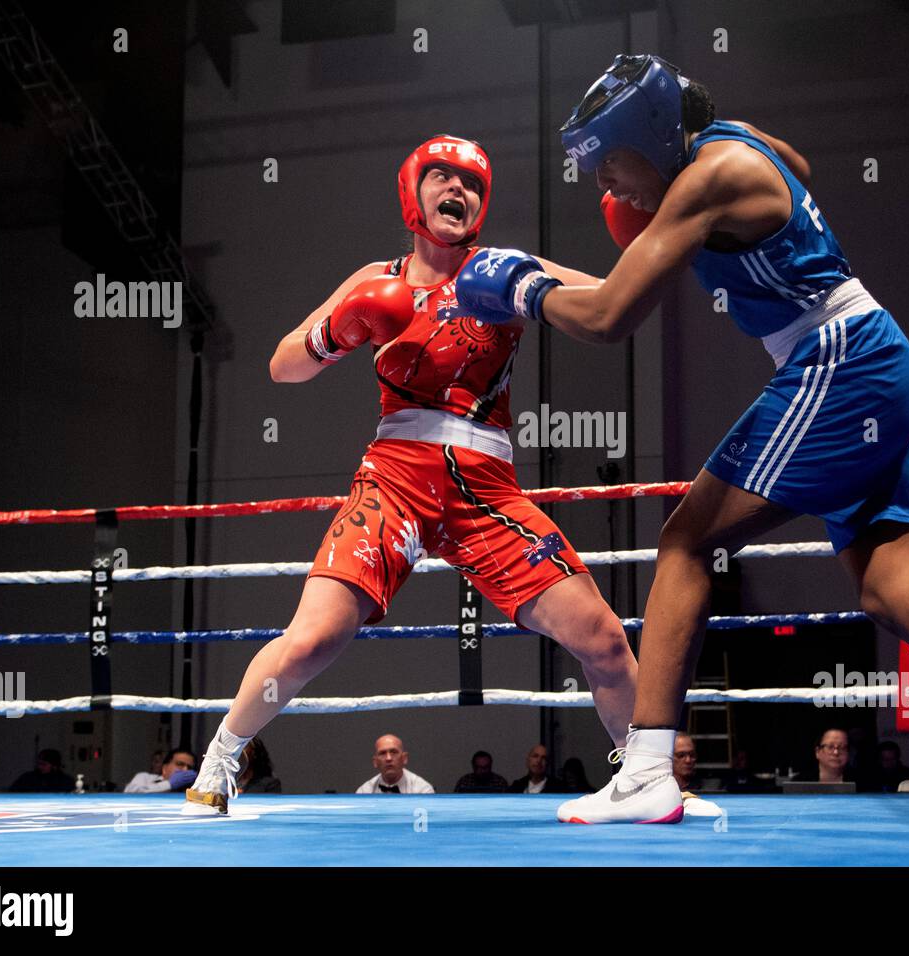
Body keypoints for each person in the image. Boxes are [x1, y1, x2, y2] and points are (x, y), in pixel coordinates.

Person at [445, 54, 909, 825]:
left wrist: (519, 290)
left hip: (839, 363)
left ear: (646, 132)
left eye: (611, 165)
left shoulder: (707, 177)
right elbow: (774, 181)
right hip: (878, 361)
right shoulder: (729, 151)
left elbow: (610, 319)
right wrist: (529, 270)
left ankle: (646, 772)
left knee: (685, 542)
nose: (609, 189)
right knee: (892, 593)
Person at [183, 135, 638, 815]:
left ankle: (642, 773)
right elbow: (282, 364)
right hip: (395, 476)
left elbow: (612, 305)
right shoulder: (376, 276)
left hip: (487, 487)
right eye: (442, 177)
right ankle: (222, 758)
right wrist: (342, 326)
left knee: (602, 637)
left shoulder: (504, 268)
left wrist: (658, 238)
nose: (458, 190)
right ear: (412, 192)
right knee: (314, 638)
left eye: (473, 183)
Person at [355, 734, 434, 794]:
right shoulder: (364, 792)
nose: (388, 758)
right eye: (382, 753)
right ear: (375, 762)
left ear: (404, 758)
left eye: (394, 752)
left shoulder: (423, 791)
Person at [123, 749, 197, 793]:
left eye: (189, 767)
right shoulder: (145, 778)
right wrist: (169, 784)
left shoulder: (195, 789)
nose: (185, 770)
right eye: (180, 764)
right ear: (164, 768)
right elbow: (129, 792)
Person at [8, 749, 74, 793]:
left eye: (44, 764)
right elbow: (12, 792)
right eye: (39, 763)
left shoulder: (65, 781)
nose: (40, 766)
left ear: (54, 766)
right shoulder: (28, 778)